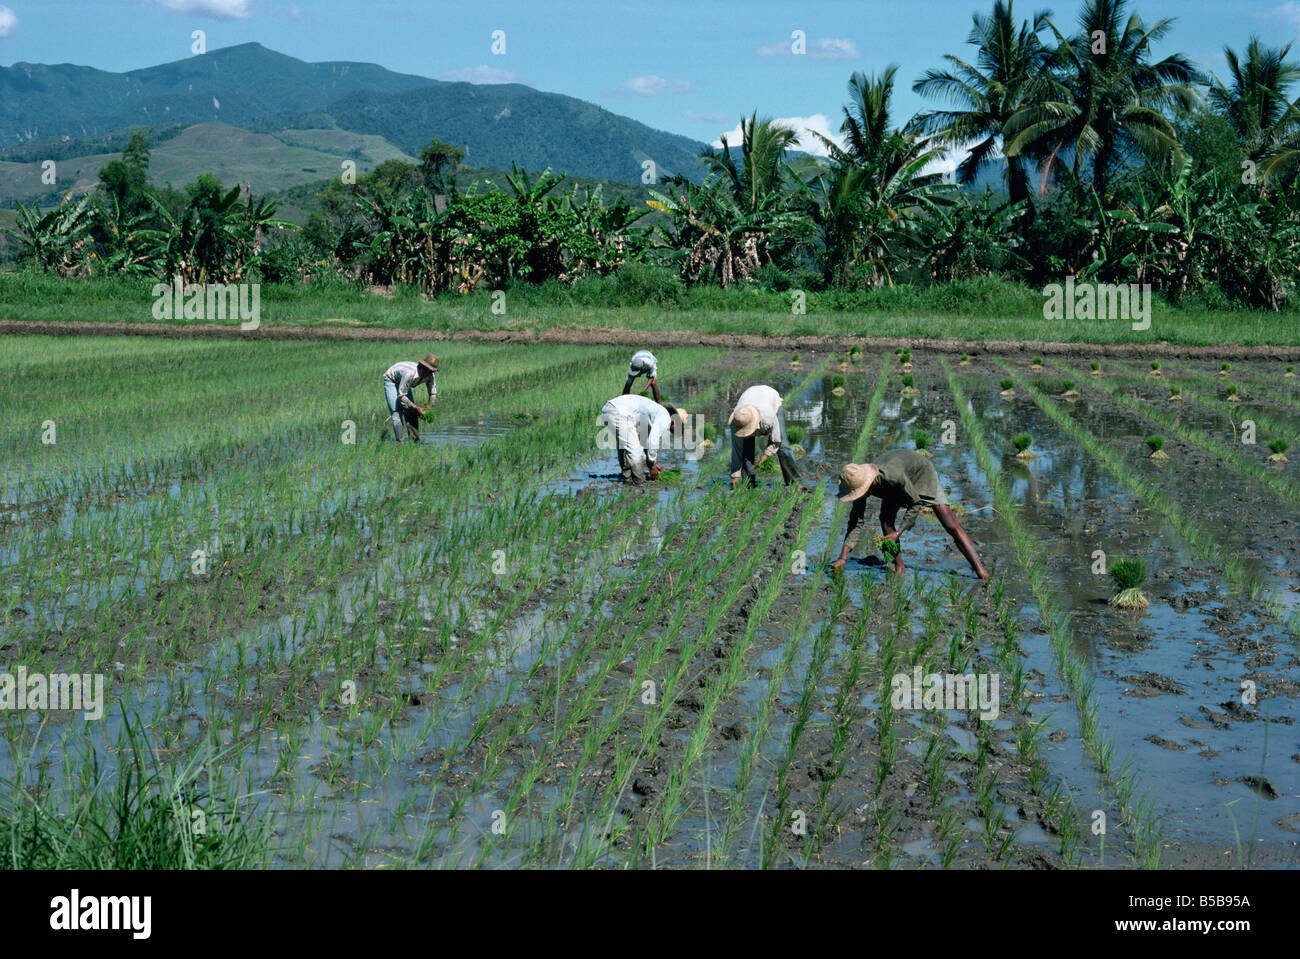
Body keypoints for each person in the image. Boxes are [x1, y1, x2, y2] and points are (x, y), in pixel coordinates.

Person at [831, 450, 989, 580]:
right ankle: (900, 567)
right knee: (885, 520)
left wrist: (898, 533)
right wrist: (843, 557)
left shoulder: (892, 476)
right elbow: (856, 522)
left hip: (920, 473)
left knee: (950, 524)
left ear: (870, 485)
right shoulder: (860, 483)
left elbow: (915, 503)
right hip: (895, 482)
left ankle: (981, 571)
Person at [600, 393, 687, 485]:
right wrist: (652, 466)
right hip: (619, 412)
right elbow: (652, 441)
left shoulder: (654, 415)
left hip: (608, 409)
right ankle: (639, 483)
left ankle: (627, 478)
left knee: (624, 445)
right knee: (635, 451)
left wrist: (652, 465)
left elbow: (645, 443)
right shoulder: (665, 418)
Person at [727, 384, 800, 488]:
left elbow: (776, 441)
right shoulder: (737, 421)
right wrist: (735, 476)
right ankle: (749, 483)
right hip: (749, 396)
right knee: (746, 448)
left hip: (769, 397)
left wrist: (765, 456)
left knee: (784, 446)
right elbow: (737, 450)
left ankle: (794, 482)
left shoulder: (768, 417)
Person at [382, 354, 437, 444]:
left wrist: (428, 408)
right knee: (396, 412)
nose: (429, 373)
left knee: (411, 412)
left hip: (404, 382)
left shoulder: (430, 375)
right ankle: (399, 443)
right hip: (392, 380)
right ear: (422, 367)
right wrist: (417, 408)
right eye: (428, 370)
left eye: (431, 371)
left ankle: (415, 441)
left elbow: (433, 393)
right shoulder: (409, 373)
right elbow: (402, 395)